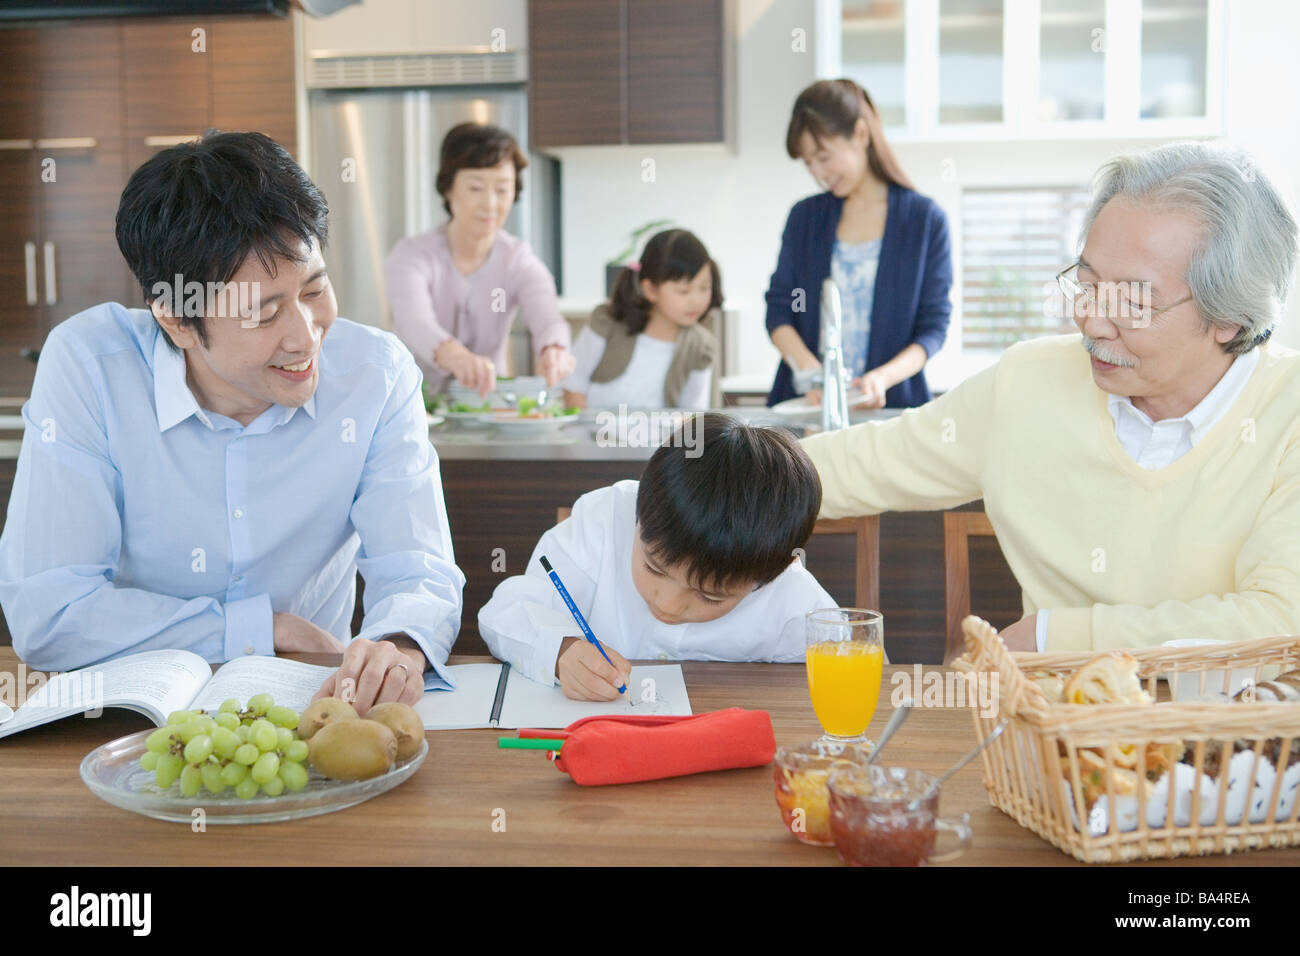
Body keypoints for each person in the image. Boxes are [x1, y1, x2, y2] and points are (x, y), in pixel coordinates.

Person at [0, 131, 465, 713]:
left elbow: (416, 571)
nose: (305, 335)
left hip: (314, 711)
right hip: (124, 720)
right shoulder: (91, 367)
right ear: (174, 320)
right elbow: (51, 613)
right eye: (263, 312)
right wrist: (256, 631)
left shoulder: (376, 374)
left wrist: (397, 645)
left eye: (315, 289)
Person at [799, 141, 1300, 654]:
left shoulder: (1288, 412)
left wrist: (1050, 637)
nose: (1091, 320)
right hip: (1047, 727)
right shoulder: (1029, 381)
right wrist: (724, 464)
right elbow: (865, 463)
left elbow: (1279, 622)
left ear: (1229, 317)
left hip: (1244, 732)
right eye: (1086, 284)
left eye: (1132, 301)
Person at [479, 413, 835, 699]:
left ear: (772, 574)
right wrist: (560, 650)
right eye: (653, 566)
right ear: (639, 512)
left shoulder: (793, 598)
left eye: (710, 595)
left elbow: (860, 672)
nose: (668, 603)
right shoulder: (604, 520)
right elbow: (506, 611)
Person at [766, 78, 951, 409]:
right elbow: (781, 309)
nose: (818, 173)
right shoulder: (805, 218)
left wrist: (883, 378)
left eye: (823, 157)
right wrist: (811, 372)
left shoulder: (924, 221)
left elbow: (933, 328)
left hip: (891, 408)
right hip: (807, 408)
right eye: (808, 163)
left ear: (861, 135)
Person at [385, 122, 575, 398]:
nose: (490, 204)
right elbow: (414, 321)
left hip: (487, 403)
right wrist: (453, 354)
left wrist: (554, 349)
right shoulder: (412, 255)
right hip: (414, 402)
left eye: (502, 189)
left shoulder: (517, 259)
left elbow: (548, 318)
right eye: (475, 188)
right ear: (449, 189)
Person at [561, 229, 720, 411]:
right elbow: (573, 385)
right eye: (684, 291)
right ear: (651, 290)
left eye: (704, 288)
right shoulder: (607, 322)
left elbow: (694, 414)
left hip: (661, 440)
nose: (697, 300)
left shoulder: (700, 346)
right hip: (595, 436)